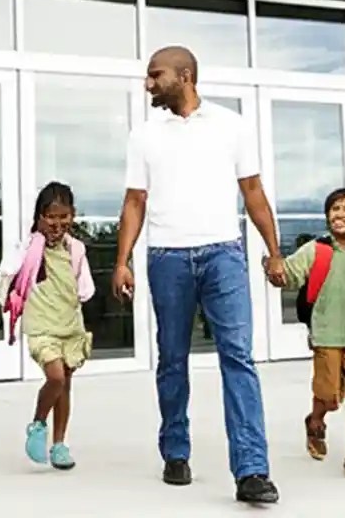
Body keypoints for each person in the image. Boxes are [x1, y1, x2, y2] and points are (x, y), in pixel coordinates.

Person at [112, 45, 285, 504]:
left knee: (238, 357)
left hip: (223, 255)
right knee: (172, 359)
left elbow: (252, 190)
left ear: (185, 76)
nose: (148, 83)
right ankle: (175, 450)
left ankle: (252, 469)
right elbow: (134, 201)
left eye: (156, 75)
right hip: (167, 257)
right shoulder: (144, 135)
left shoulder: (230, 125)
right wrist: (122, 259)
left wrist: (273, 251)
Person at [276, 188, 345, 482]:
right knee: (328, 396)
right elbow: (288, 274)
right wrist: (274, 268)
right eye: (335, 208)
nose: (339, 214)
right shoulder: (315, 250)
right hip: (326, 337)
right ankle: (315, 421)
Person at [0, 181, 95, 470]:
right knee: (56, 378)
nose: (57, 223)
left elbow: (83, 288)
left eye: (64, 216)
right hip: (42, 327)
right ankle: (39, 423)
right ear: (39, 217)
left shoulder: (75, 249)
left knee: (65, 385)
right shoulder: (28, 248)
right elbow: (7, 272)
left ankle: (60, 444)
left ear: (73, 216)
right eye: (50, 216)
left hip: (69, 324)